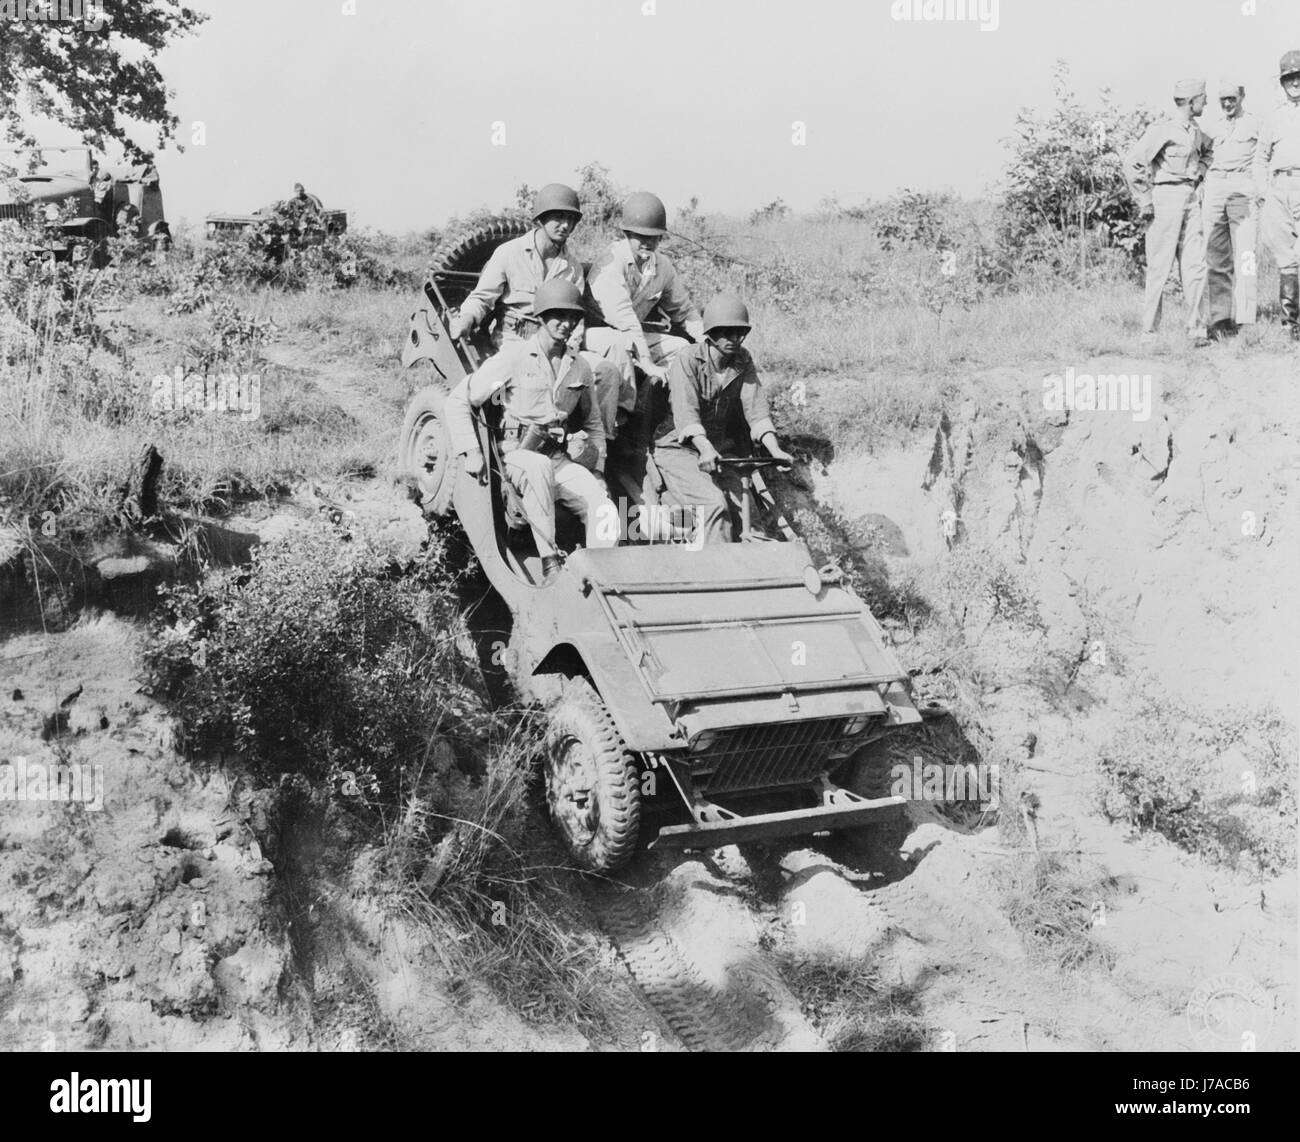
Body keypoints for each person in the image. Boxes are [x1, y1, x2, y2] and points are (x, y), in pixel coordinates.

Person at [444, 280, 616, 580]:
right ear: (540, 318)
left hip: (557, 458)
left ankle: (598, 577)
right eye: (558, 316)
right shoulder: (514, 357)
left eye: (573, 318)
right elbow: (460, 399)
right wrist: (470, 451)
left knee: (605, 509)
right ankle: (551, 562)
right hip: (516, 455)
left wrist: (598, 469)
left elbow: (594, 424)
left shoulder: (580, 366)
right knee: (537, 467)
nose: (566, 324)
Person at [447, 182, 631, 442]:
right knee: (531, 381)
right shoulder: (509, 254)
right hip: (516, 340)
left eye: (570, 219)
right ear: (541, 219)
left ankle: (600, 445)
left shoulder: (572, 268)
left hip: (559, 344)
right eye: (558, 218)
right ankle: (523, 442)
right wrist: (466, 318)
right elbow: (482, 297)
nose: (565, 225)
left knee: (607, 371)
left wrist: (569, 353)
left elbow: (576, 319)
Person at [649, 295, 793, 546]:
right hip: (677, 449)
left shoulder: (742, 360)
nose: (734, 339)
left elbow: (756, 410)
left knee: (749, 517)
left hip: (718, 450)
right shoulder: (687, 359)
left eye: (739, 333)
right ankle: (718, 574)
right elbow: (686, 412)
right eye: (727, 333)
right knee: (713, 507)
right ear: (711, 334)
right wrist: (704, 448)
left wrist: (775, 449)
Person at [584, 191, 704, 392]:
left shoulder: (662, 266)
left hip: (633, 335)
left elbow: (683, 310)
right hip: (598, 334)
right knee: (620, 344)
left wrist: (708, 340)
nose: (647, 243)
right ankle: (626, 413)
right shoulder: (611, 260)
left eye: (654, 237)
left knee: (681, 348)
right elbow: (624, 318)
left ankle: (660, 398)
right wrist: (647, 361)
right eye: (641, 237)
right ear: (628, 234)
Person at [1124, 79, 1213, 339]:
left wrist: (1200, 174)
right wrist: (1145, 200)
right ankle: (1149, 332)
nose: (1206, 102)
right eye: (1202, 98)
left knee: (1195, 266)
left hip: (1191, 199)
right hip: (1165, 200)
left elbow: (1210, 150)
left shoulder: (1195, 130)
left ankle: (1196, 329)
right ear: (1190, 101)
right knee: (1159, 267)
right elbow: (1133, 163)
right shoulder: (1163, 129)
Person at [1203, 80, 1262, 337]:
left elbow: (1265, 157)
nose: (1228, 103)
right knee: (1216, 257)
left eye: (1232, 98)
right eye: (1223, 99)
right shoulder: (1210, 127)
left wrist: (1261, 189)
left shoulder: (1256, 124)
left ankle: (1246, 318)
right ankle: (1220, 319)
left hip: (1243, 187)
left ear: (1242, 96)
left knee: (1246, 256)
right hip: (1215, 187)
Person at [1254, 50, 1300, 341]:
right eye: (1290, 79)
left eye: (1299, 78)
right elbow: (1260, 157)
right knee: (1286, 257)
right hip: (1279, 187)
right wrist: (1264, 192)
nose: (1295, 84)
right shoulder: (1273, 117)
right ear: (1282, 83)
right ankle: (1289, 324)